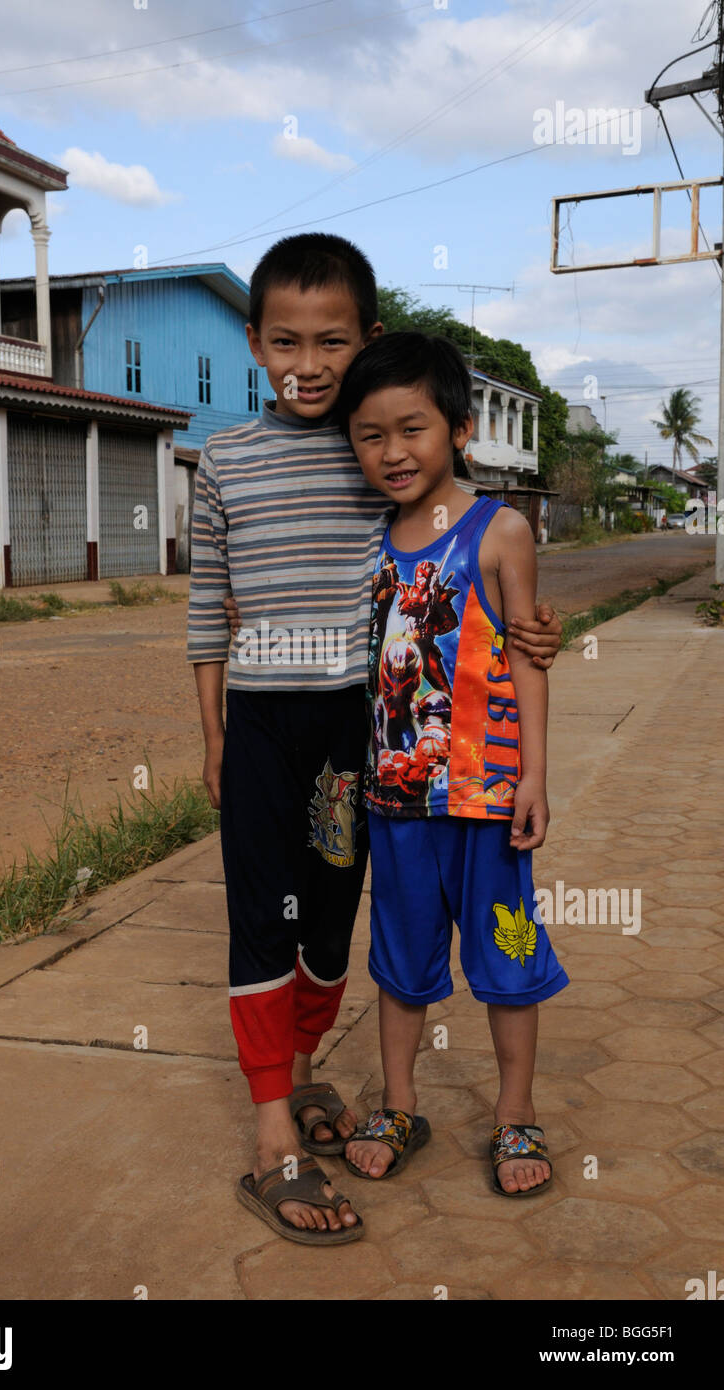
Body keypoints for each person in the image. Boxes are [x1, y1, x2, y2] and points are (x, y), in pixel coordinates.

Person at [187, 234, 563, 1244]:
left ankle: (305, 1075)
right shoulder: (224, 458)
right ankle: (273, 1133)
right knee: (262, 915)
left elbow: (466, 582)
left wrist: (533, 627)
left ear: (367, 340)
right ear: (255, 342)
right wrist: (214, 731)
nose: (305, 363)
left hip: (358, 744)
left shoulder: (379, 460)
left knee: (326, 916)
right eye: (282, 341)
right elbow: (204, 605)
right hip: (265, 728)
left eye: (331, 340)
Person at [334, 331, 569, 1197]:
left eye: (412, 429)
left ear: (461, 432)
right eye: (369, 434)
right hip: (395, 803)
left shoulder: (501, 530)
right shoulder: (366, 545)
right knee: (399, 959)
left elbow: (526, 658)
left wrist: (534, 778)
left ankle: (515, 1113)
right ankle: (399, 1104)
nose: (392, 452)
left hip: (486, 796)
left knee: (507, 958)